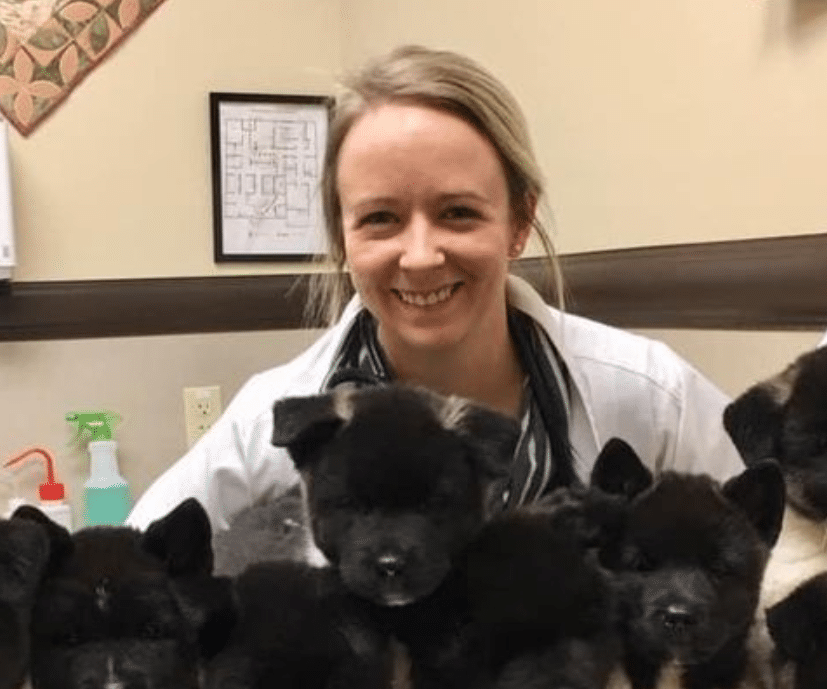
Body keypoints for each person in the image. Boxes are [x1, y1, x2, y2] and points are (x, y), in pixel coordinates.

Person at [127, 45, 741, 531]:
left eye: (458, 213)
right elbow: (137, 561)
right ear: (343, 240)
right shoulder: (272, 415)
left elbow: (779, 542)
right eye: (380, 219)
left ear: (520, 222)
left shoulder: (652, 396)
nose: (420, 258)